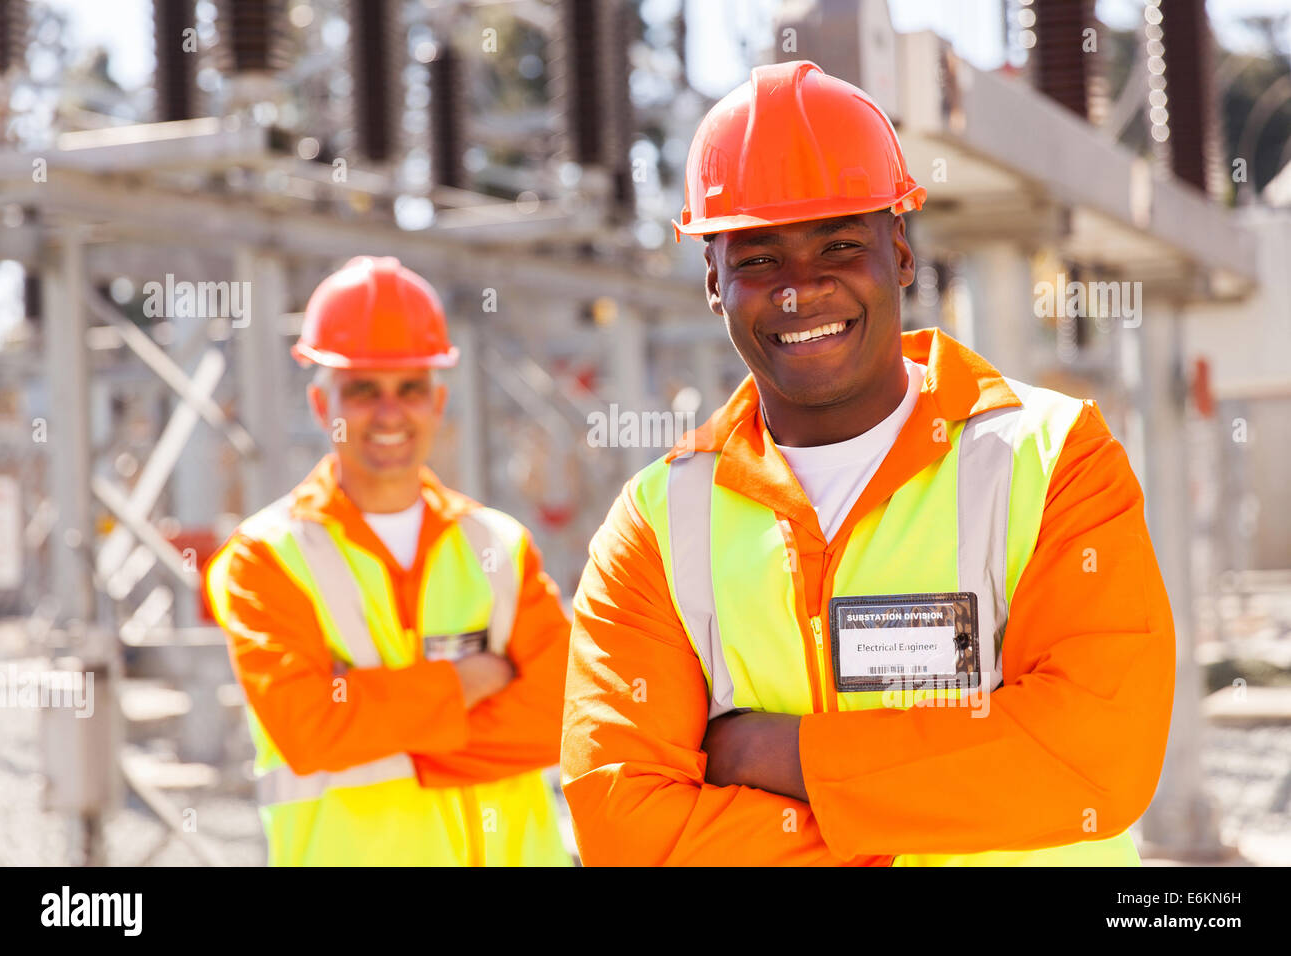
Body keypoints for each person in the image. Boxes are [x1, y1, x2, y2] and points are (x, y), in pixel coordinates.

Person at [560, 60, 1175, 865]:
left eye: (839, 244)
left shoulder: (1057, 460)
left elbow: (1093, 762)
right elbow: (626, 826)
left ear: (902, 253)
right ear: (713, 282)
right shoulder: (655, 526)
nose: (800, 289)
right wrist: (922, 803)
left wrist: (775, 755)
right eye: (756, 259)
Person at [205, 256, 571, 866]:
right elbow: (310, 728)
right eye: (363, 390)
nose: (390, 413)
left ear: (439, 402)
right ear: (323, 409)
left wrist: (384, 724)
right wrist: (465, 683)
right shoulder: (262, 559)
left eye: (410, 389)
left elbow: (558, 713)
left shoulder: (499, 546)